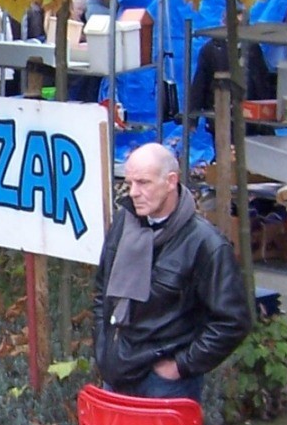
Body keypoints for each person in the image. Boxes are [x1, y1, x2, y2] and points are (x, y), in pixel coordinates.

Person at [94, 142, 251, 402]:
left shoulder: (206, 244)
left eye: (143, 183)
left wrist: (180, 366)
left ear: (170, 181)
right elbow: (103, 290)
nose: (133, 192)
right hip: (116, 371)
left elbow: (232, 321)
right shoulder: (124, 223)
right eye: (130, 182)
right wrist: (102, 344)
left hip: (164, 384)